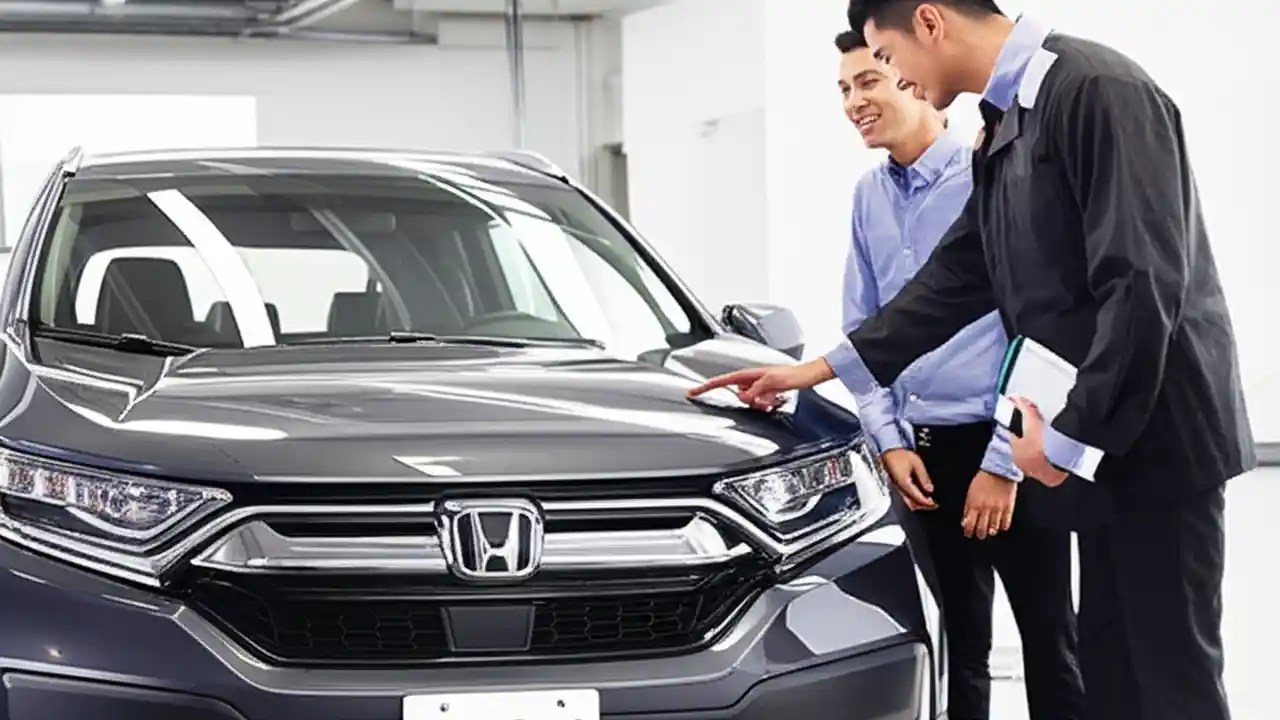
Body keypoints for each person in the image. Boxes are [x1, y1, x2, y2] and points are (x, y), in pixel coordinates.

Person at [688, 3, 1256, 720]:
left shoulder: (1097, 90)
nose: (894, 78)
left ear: (929, 22)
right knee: (1113, 678)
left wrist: (1067, 437)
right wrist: (819, 371)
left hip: (1157, 444)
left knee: (1169, 682)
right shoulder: (1008, 122)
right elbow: (960, 273)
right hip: (1106, 447)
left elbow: (1140, 285)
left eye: (886, 59)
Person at [827, 29, 1082, 720]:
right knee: (958, 648)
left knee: (1053, 645)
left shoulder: (987, 175)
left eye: (868, 82)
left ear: (911, 79)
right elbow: (864, 328)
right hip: (921, 459)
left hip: (1011, 450)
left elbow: (1039, 328)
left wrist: (1003, 463)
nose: (853, 102)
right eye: (844, 89)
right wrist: (890, 440)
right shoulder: (867, 197)